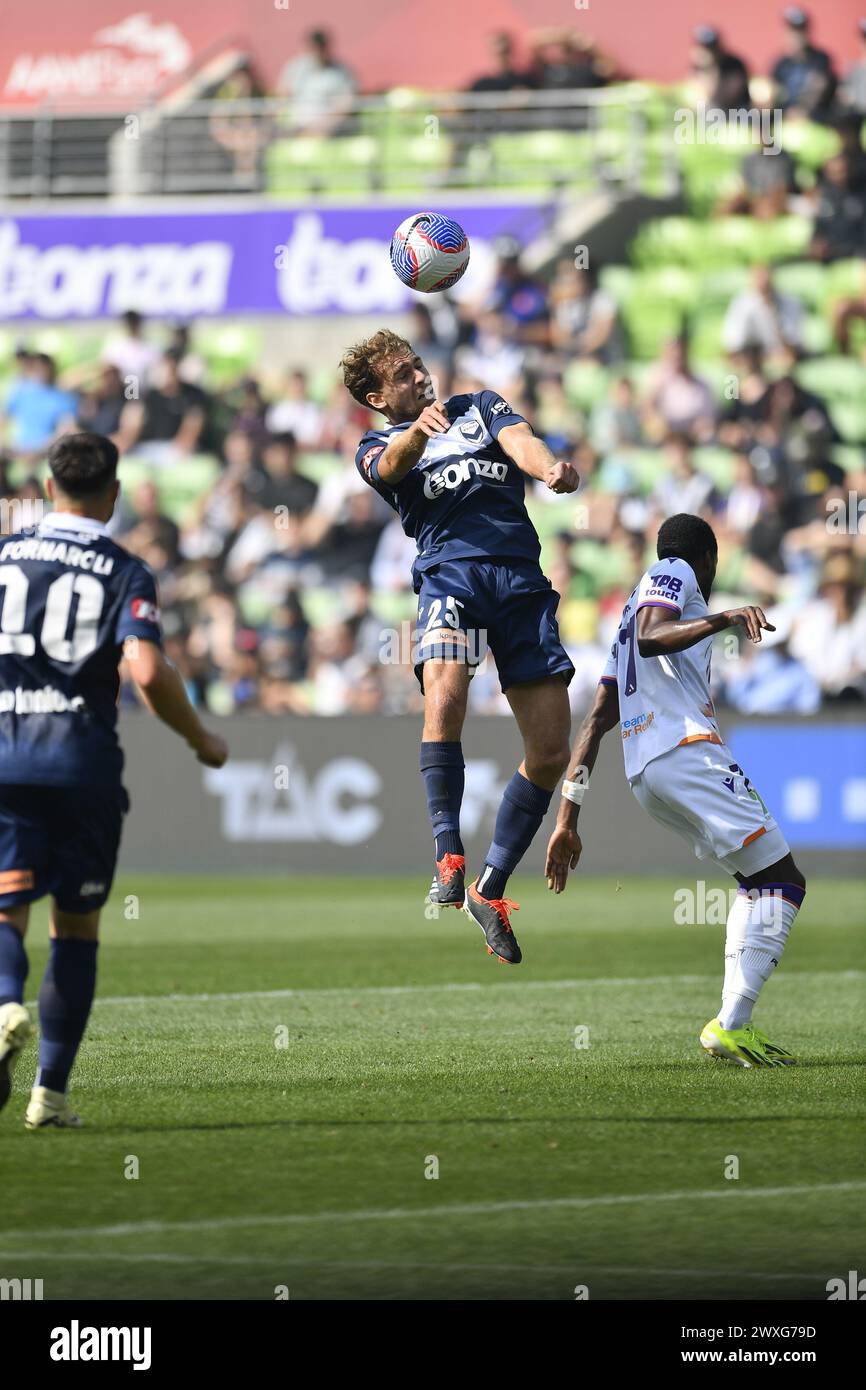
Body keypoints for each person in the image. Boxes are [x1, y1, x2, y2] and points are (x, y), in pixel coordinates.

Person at [0, 433, 226, 1129]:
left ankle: (4, 999)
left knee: (5, 909)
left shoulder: (4, 556)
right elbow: (150, 673)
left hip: (5, 761)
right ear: (114, 495)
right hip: (82, 764)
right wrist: (199, 738)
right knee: (78, 927)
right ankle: (51, 1096)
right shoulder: (125, 568)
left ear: (45, 488)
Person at [341, 329, 578, 964]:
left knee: (551, 750)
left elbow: (520, 441)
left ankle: (489, 888)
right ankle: (448, 851)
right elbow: (392, 468)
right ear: (376, 396)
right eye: (403, 374)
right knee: (445, 694)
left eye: (418, 365)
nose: (420, 376)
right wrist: (418, 430)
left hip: (521, 581)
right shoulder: (376, 445)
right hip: (453, 576)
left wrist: (548, 466)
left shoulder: (479, 406)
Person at [545, 513, 807, 1068]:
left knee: (757, 880)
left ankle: (736, 1024)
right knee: (783, 879)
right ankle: (731, 1025)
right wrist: (724, 617)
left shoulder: (622, 621)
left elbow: (594, 721)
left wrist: (568, 817)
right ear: (706, 559)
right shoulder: (674, 571)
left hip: (645, 773)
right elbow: (653, 634)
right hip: (684, 749)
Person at [277, 29, 356, 137]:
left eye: (319, 48)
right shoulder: (295, 67)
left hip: (327, 126)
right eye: (312, 48)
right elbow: (283, 95)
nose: (316, 52)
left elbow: (345, 105)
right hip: (296, 124)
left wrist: (323, 126)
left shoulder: (342, 72)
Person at [771, 8, 837, 120]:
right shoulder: (781, 63)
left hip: (814, 117)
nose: (797, 36)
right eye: (793, 31)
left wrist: (802, 110)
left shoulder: (821, 60)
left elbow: (818, 88)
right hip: (785, 117)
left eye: (800, 30)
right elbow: (771, 90)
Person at [690, 25, 751, 112]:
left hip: (737, 114)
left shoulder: (733, 65)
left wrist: (711, 68)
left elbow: (720, 99)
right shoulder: (697, 67)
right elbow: (697, 100)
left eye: (710, 48)